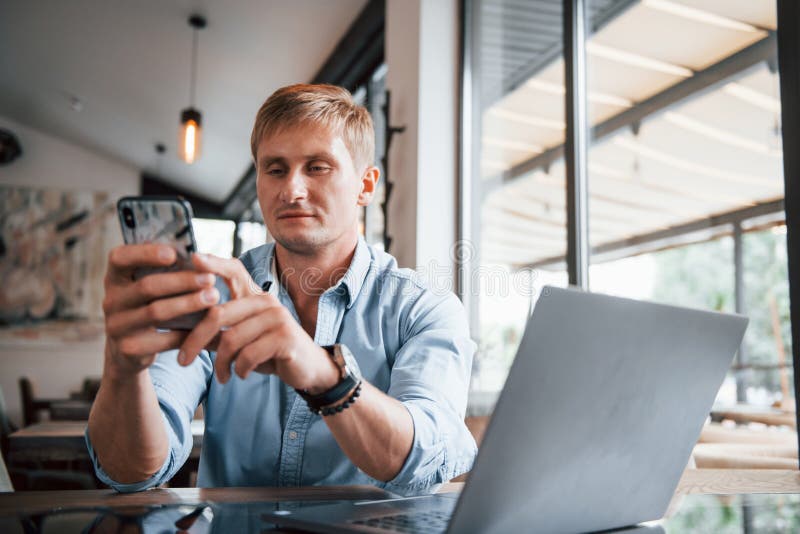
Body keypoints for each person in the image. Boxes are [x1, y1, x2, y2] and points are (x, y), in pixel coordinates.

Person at [86, 84, 477, 495]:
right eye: (275, 169)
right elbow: (132, 471)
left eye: (317, 167)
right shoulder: (210, 296)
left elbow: (425, 462)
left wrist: (326, 376)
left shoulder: (423, 309)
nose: (291, 190)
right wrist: (122, 366)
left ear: (365, 185)